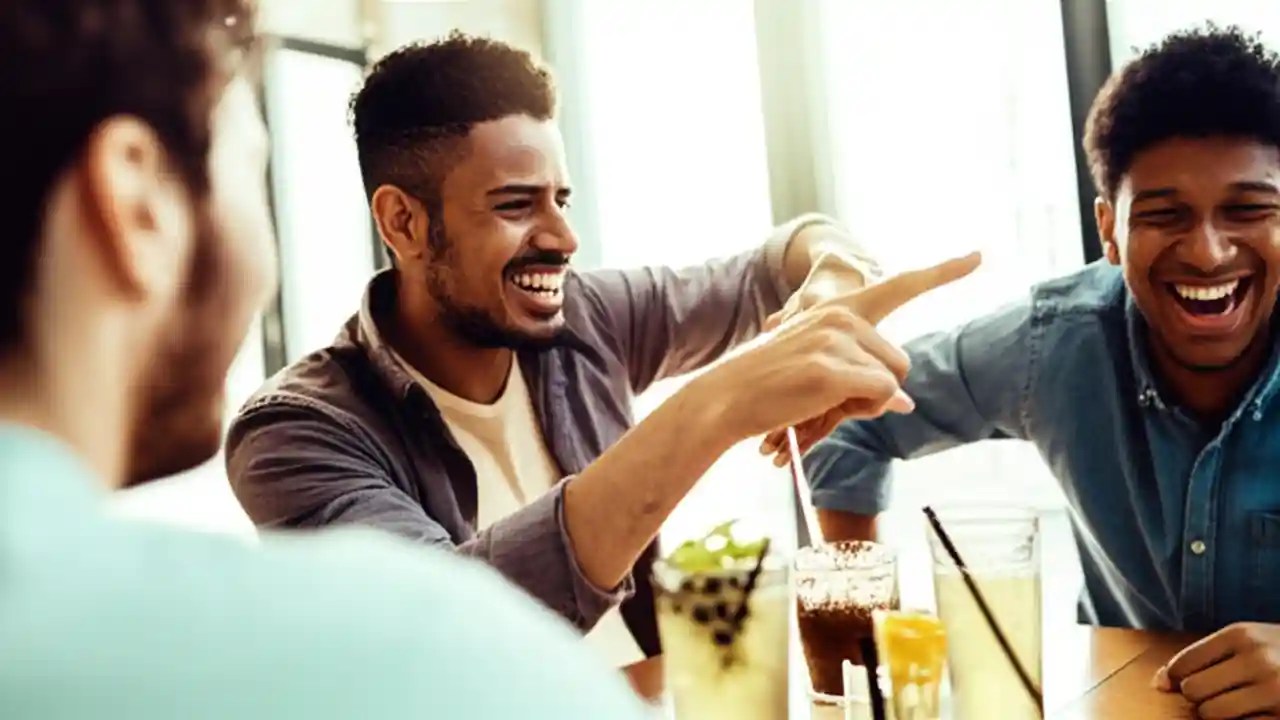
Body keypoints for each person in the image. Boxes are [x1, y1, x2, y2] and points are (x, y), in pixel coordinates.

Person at [223, 30, 978, 692]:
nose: (562, 237)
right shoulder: (295, 434)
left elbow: (780, 262)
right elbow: (448, 631)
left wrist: (836, 278)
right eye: (517, 205)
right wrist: (718, 406)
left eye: (562, 199)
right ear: (404, 221)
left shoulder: (589, 318)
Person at [0, 2, 684, 717]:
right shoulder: (410, 649)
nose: (562, 237)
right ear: (138, 203)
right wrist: (719, 408)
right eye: (252, 173)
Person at [791, 25, 1280, 720]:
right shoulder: (1052, 345)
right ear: (1108, 230)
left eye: (1249, 209)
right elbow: (845, 417)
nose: (1206, 253)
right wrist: (858, 654)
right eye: (1166, 215)